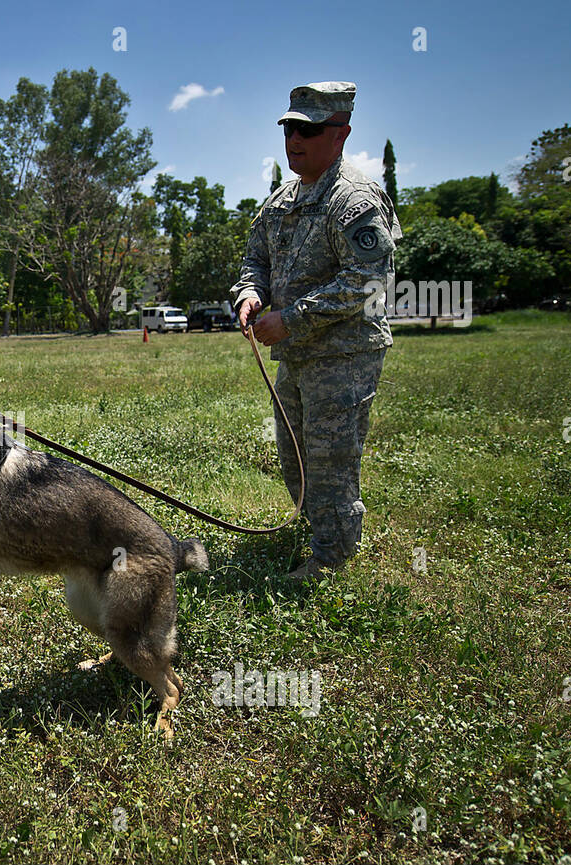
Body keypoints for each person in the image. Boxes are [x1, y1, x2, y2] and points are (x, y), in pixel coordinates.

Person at [230, 81, 401, 581]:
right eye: (290, 129)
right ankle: (316, 531)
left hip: (343, 355)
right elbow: (254, 258)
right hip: (297, 354)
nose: (295, 140)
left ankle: (331, 559)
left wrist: (291, 318)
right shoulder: (282, 199)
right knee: (295, 455)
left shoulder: (356, 201)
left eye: (309, 130)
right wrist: (249, 294)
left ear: (341, 133)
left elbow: (366, 281)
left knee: (330, 461)